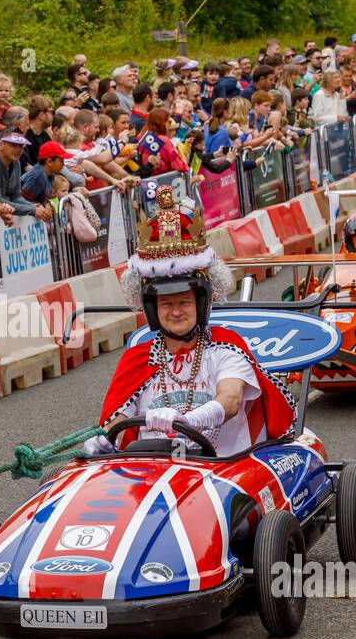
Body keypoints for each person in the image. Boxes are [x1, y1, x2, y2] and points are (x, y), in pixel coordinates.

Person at [83, 185, 296, 456]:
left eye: (184, 302)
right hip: (151, 469)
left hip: (222, 469)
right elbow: (118, 420)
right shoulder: (137, 359)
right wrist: (105, 438)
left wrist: (190, 421)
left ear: (200, 303)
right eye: (166, 304)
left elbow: (230, 399)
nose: (176, 311)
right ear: (152, 308)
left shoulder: (226, 349)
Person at [0, 129, 52, 221]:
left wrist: (31, 205)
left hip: (4, 215)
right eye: (13, 145)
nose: (18, 150)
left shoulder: (16, 162)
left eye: (21, 146)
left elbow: (16, 196)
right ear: (1, 145)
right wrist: (31, 209)